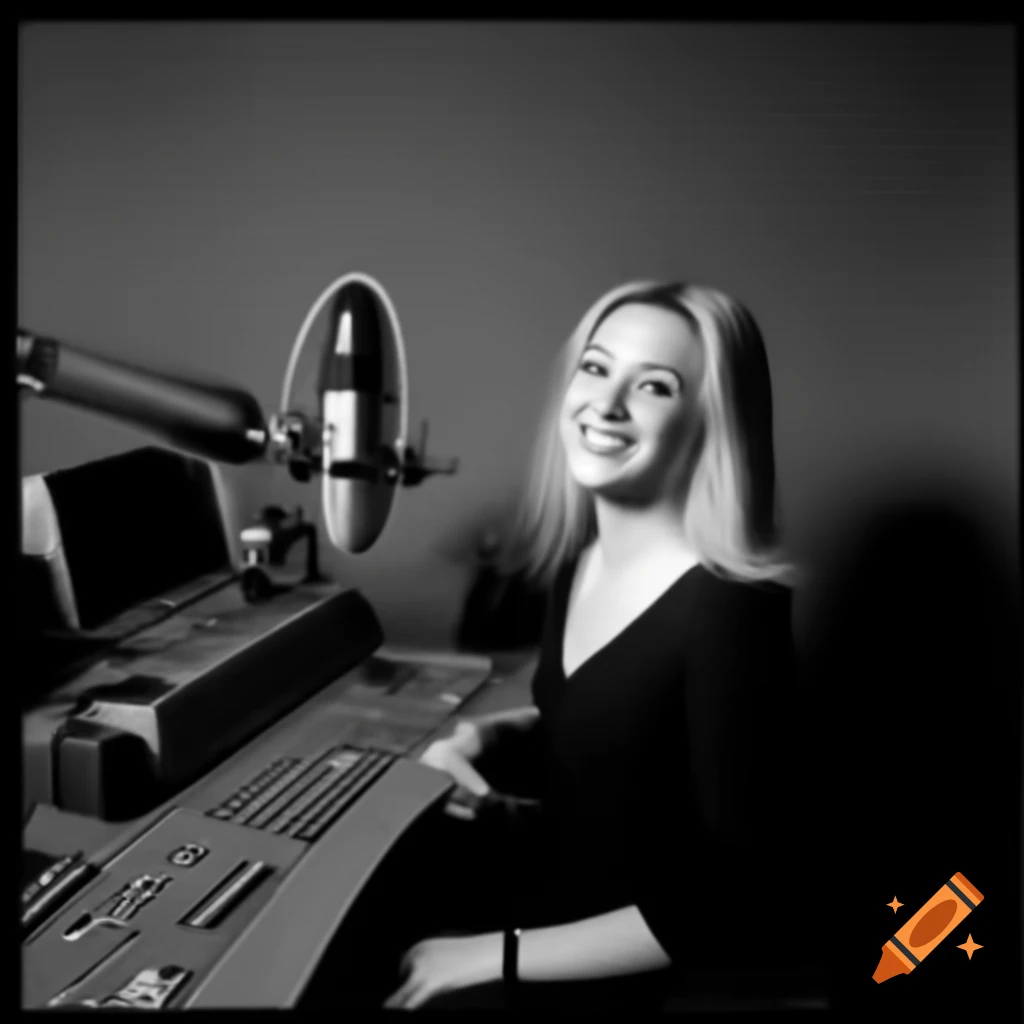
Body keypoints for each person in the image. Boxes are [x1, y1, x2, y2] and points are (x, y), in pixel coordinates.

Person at [383, 280, 814, 1010]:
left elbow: (732, 894)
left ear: (714, 421)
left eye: (653, 386)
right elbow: (623, 727)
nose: (606, 404)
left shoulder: (731, 609)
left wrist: (495, 955)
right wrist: (489, 734)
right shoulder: (581, 559)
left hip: (647, 971)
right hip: (561, 898)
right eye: (595, 367)